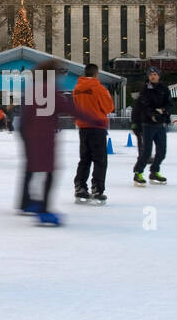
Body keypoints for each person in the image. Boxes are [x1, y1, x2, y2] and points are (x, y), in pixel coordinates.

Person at [19, 60, 102, 225]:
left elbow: (25, 115)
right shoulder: (49, 90)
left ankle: (25, 202)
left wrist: (24, 135)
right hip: (44, 138)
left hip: (31, 135)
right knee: (49, 173)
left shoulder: (33, 89)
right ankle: (44, 210)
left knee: (32, 169)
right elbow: (71, 109)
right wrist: (96, 120)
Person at [72, 63, 114, 203]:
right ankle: (97, 188)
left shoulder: (77, 89)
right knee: (100, 159)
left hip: (83, 127)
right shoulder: (99, 88)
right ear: (96, 74)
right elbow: (108, 107)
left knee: (85, 158)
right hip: (97, 126)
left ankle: (80, 186)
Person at [131, 66, 171, 186]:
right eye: (150, 74)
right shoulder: (145, 90)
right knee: (146, 152)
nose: (153, 76)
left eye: (155, 74)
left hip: (160, 124)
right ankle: (138, 173)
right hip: (147, 124)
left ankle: (154, 171)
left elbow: (169, 103)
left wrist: (164, 110)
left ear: (159, 76)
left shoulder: (164, 89)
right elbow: (144, 105)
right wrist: (152, 114)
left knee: (162, 151)